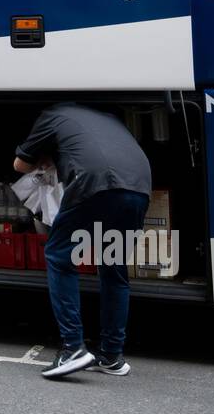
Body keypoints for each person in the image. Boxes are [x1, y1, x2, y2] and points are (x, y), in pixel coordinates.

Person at [14, 102, 151, 379]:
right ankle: (112, 355)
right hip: (138, 187)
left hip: (94, 184)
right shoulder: (109, 117)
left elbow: (20, 164)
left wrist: (45, 159)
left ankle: (73, 347)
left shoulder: (50, 114)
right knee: (113, 268)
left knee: (59, 256)